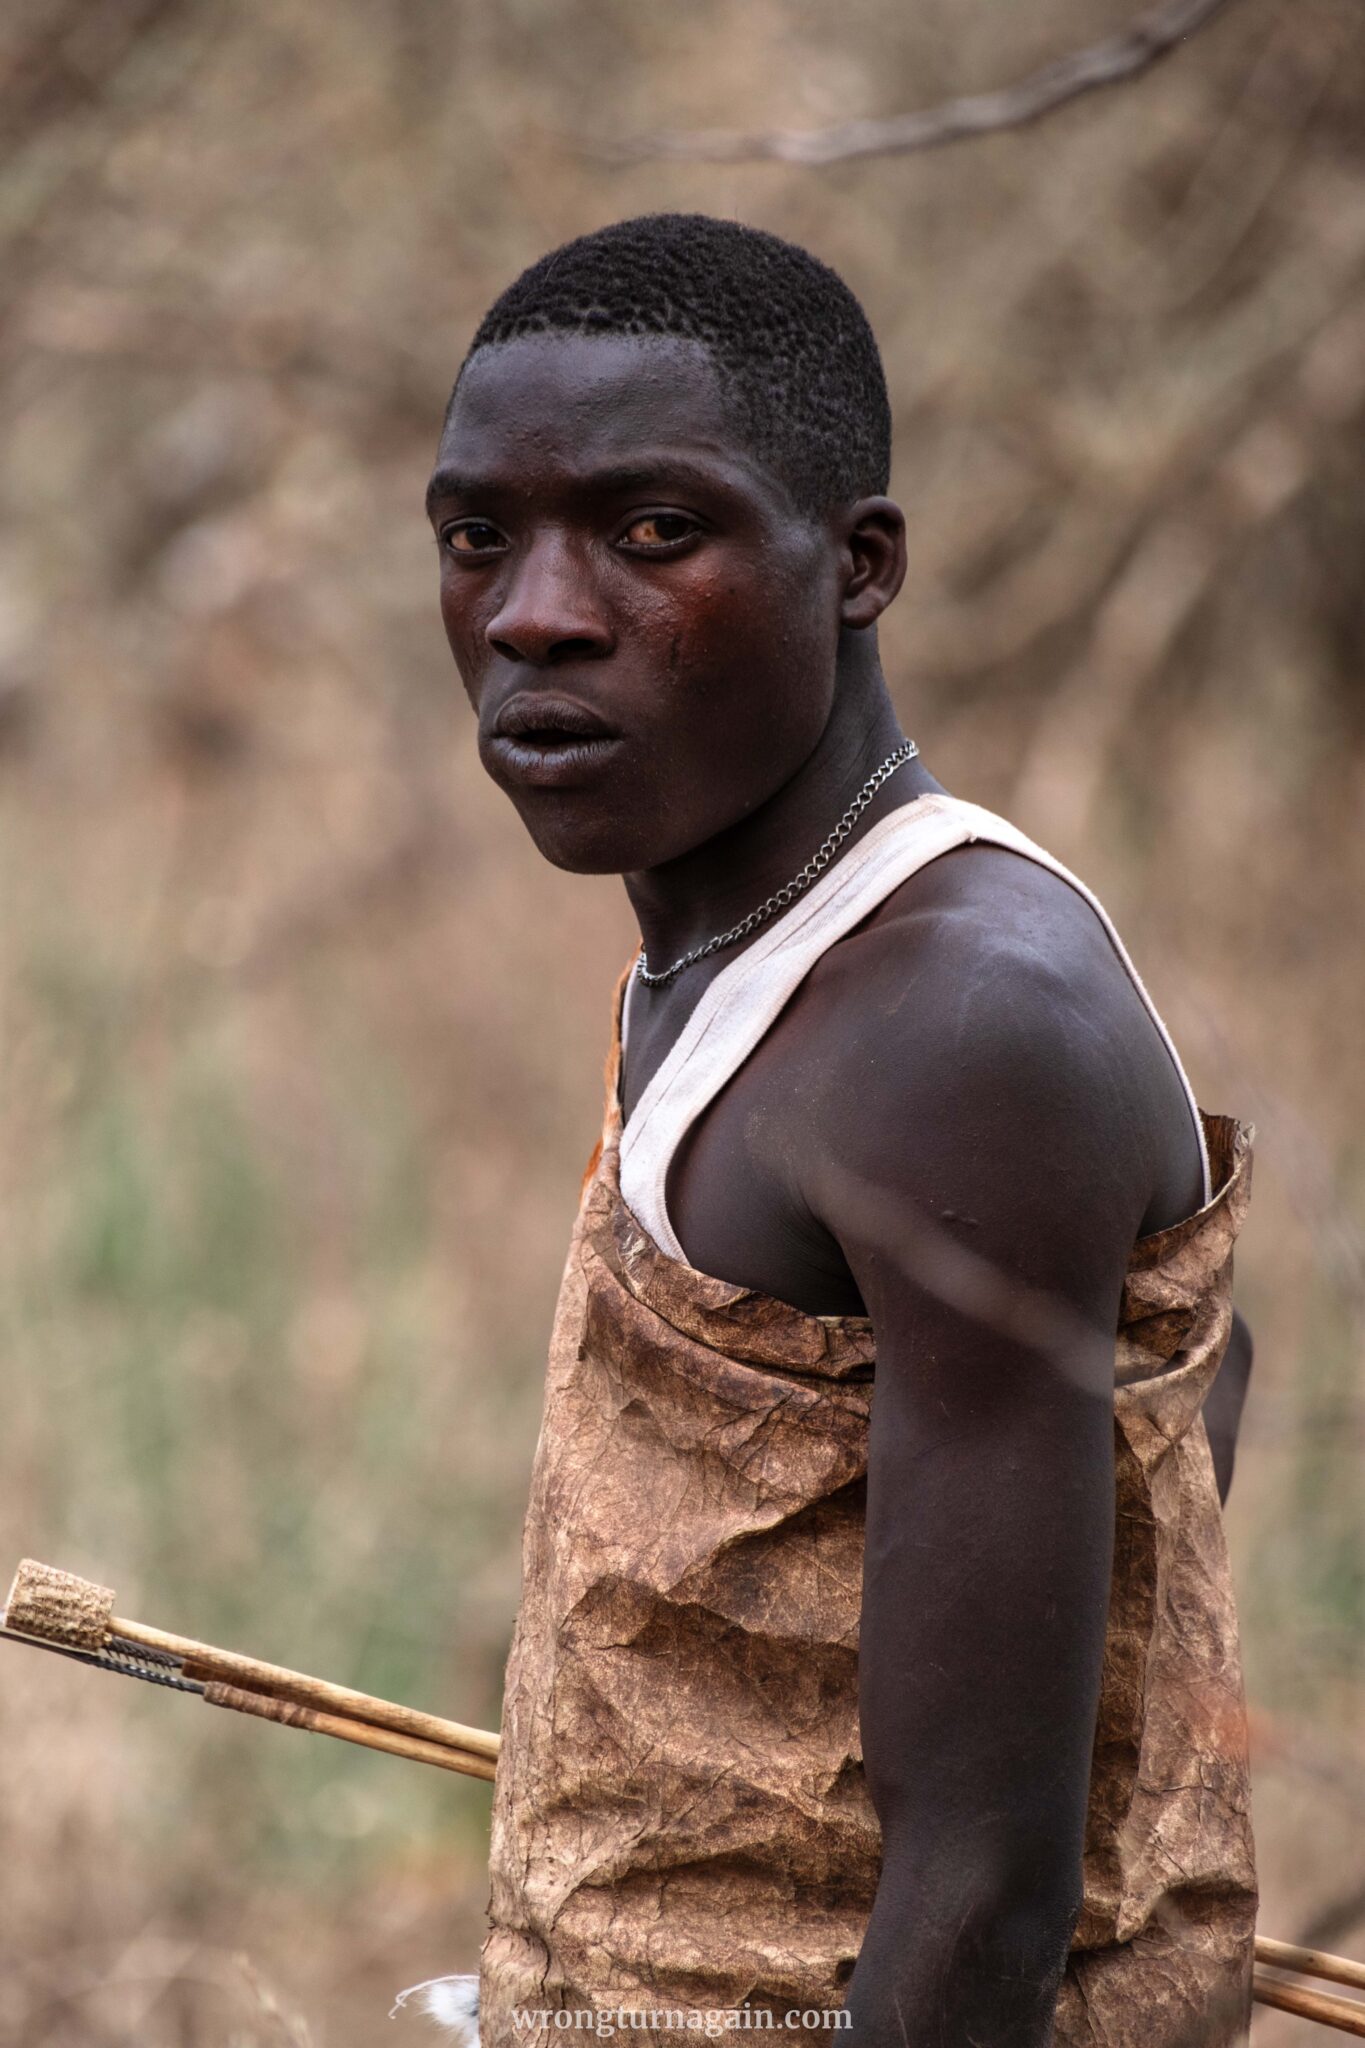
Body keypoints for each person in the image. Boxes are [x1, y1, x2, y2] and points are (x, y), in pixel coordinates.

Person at [422, 214, 1257, 2048]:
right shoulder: (745, 954)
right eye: (479, 534)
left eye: (654, 533)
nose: (534, 611)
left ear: (857, 564)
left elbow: (979, 1885)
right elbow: (1189, 1379)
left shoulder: (950, 1024)